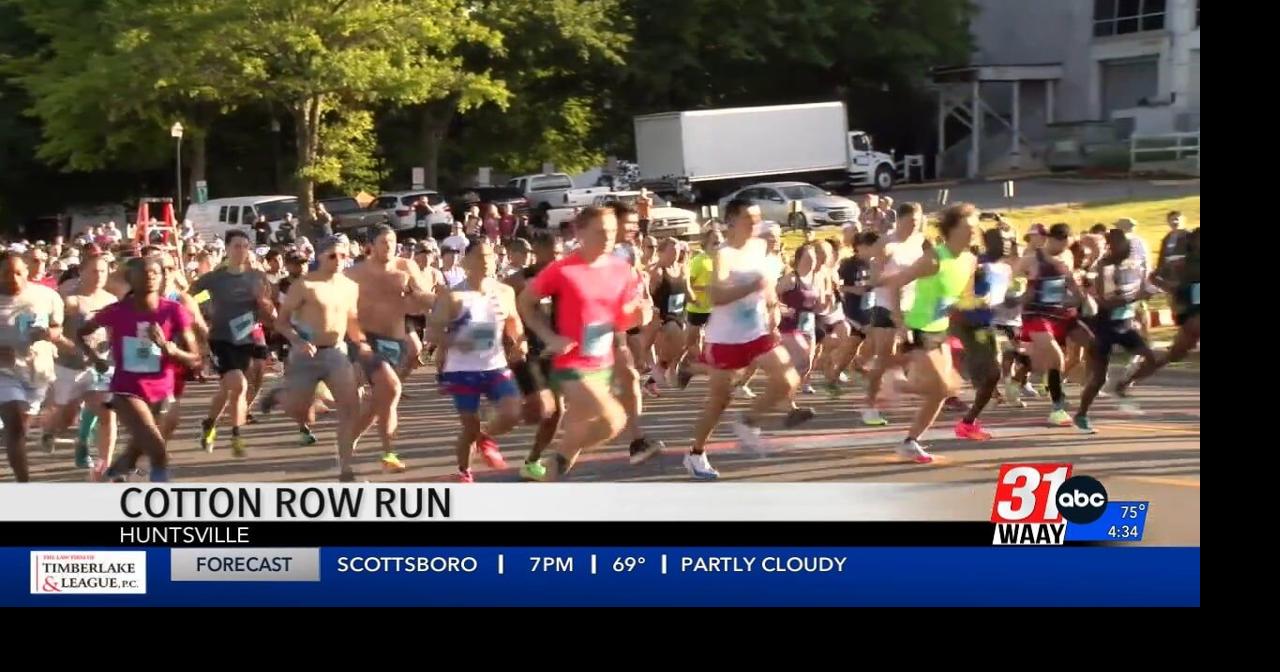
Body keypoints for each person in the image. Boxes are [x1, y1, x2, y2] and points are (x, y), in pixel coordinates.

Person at [516, 206, 642, 480]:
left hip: (602, 363)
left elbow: (620, 321)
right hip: (569, 363)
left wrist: (637, 316)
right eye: (599, 232)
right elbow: (526, 302)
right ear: (579, 232)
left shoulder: (623, 270)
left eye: (610, 231)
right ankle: (559, 455)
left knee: (576, 438)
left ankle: (547, 485)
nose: (607, 237)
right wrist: (549, 337)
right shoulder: (562, 270)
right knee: (613, 419)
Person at [685, 200, 804, 480]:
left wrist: (774, 308)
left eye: (758, 218)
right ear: (731, 222)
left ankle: (749, 422)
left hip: (758, 331)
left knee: (788, 380)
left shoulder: (760, 247)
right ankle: (695, 454)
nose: (755, 224)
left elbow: (767, 285)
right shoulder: (722, 254)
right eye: (749, 219)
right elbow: (716, 297)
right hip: (726, 338)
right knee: (718, 401)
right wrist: (752, 286)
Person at [76, 256, 201, 482]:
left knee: (135, 452)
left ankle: (109, 476)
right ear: (130, 279)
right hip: (127, 389)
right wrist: (95, 358)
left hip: (163, 390)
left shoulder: (173, 310)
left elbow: (195, 358)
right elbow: (81, 333)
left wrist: (170, 349)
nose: (150, 277)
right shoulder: (115, 310)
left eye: (155, 273)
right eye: (144, 273)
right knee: (158, 451)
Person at [876, 203, 981, 463]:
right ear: (951, 229)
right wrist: (899, 322)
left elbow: (964, 299)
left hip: (940, 330)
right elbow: (895, 284)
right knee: (942, 387)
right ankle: (897, 386)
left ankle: (910, 439)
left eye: (975, 227)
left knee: (947, 389)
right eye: (967, 228)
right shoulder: (934, 258)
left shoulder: (969, 259)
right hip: (919, 328)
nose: (973, 232)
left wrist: (985, 300)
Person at [269, 236, 373, 481]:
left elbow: (351, 320)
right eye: (332, 255)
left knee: (350, 408)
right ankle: (281, 396)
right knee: (303, 414)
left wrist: (362, 343)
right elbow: (281, 322)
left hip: (336, 352)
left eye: (343, 255)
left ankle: (346, 469)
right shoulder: (304, 285)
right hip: (306, 354)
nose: (338, 260)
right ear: (320, 256)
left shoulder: (350, 286)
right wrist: (298, 341)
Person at [430, 238, 524, 482]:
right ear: (465, 261)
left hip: (495, 365)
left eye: (490, 256)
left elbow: (514, 320)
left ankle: (486, 438)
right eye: (480, 257)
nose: (486, 261)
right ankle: (464, 471)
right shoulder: (454, 296)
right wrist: (457, 343)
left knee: (512, 412)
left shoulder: (504, 291)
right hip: (462, 370)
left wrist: (519, 341)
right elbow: (433, 331)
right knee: (469, 427)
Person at [345, 226, 434, 473]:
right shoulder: (354, 273)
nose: (389, 246)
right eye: (384, 242)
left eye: (393, 241)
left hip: (394, 342)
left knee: (379, 403)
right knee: (392, 388)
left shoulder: (406, 267)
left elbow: (423, 299)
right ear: (371, 245)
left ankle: (348, 441)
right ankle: (388, 454)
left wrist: (436, 301)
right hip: (364, 340)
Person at [189, 230, 274, 456]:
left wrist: (263, 305)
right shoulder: (215, 278)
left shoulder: (257, 277)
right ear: (226, 249)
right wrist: (206, 308)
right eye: (237, 246)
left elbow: (268, 309)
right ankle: (236, 435)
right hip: (220, 338)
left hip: (245, 338)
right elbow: (191, 298)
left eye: (245, 246)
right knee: (238, 384)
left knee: (228, 389)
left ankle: (209, 423)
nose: (241, 251)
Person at [1074, 228, 1157, 432]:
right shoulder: (1104, 266)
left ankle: (1122, 385)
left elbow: (1143, 281)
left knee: (1152, 359)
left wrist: (1149, 289)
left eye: (1127, 245)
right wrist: (1137, 296)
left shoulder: (1132, 263)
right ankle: (1081, 414)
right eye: (1120, 245)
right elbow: (1107, 300)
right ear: (1112, 246)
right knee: (1098, 379)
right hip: (1105, 326)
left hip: (1125, 324)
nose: (1126, 249)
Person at [43, 252, 118, 470]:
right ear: (81, 272)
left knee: (107, 413)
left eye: (103, 271)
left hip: (102, 366)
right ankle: (50, 430)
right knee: (67, 418)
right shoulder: (70, 301)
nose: (99, 275)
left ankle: (105, 467)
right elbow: (54, 332)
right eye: (93, 271)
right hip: (70, 367)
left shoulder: (111, 300)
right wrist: (74, 348)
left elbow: (114, 333)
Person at [1014, 223, 1088, 426]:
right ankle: (1057, 409)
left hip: (1060, 314)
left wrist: (1082, 298)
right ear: (1053, 239)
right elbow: (1011, 283)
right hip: (1035, 315)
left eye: (1068, 245)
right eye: (1063, 244)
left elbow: (1070, 281)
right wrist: (1018, 292)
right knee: (1056, 358)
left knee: (1067, 355)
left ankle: (1020, 372)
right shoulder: (1030, 259)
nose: (1065, 249)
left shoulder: (1067, 258)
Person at [0, 251, 65, 482]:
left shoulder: (46, 296)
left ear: (27, 271)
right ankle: (24, 484)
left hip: (37, 370)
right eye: (6, 273)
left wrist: (50, 333)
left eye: (18, 272)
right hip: (4, 372)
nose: (13, 278)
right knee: (15, 423)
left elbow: (58, 328)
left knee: (19, 431)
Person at [862, 202, 927, 426]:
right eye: (911, 222)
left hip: (911, 307)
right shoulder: (887, 243)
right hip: (886, 306)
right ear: (900, 220)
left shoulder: (918, 241)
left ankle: (896, 381)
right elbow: (874, 280)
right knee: (883, 359)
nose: (914, 226)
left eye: (918, 222)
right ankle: (869, 406)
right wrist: (901, 278)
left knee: (914, 354)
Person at [507, 231, 563, 481]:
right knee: (541, 407)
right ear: (539, 253)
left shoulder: (564, 279)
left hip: (554, 351)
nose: (558, 258)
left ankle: (532, 461)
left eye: (561, 253)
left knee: (556, 411)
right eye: (553, 253)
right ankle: (489, 429)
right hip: (526, 349)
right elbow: (501, 308)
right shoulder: (519, 280)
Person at [677, 227, 722, 389]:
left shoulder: (720, 261)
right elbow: (688, 283)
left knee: (711, 343)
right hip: (697, 308)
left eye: (719, 241)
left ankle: (707, 371)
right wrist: (705, 289)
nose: (718, 244)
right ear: (706, 243)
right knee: (690, 343)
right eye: (714, 241)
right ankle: (682, 366)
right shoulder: (699, 261)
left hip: (713, 309)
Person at [649, 237, 690, 387]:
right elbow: (649, 296)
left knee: (683, 346)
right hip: (664, 316)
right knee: (672, 344)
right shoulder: (658, 272)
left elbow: (688, 291)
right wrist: (654, 317)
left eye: (678, 249)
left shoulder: (682, 268)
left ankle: (655, 377)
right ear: (662, 252)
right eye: (672, 250)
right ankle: (659, 374)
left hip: (680, 312)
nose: (676, 252)